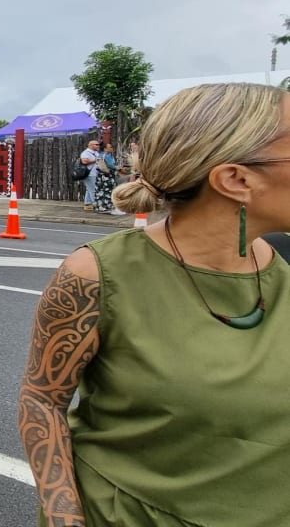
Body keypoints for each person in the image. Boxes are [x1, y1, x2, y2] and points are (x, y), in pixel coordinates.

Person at [19, 83, 290, 527]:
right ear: (236, 180)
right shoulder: (97, 276)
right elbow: (42, 399)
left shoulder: (285, 263)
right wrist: (62, 516)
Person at [79, 140, 100, 210]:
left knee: (89, 188)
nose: (98, 145)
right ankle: (96, 204)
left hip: (95, 173)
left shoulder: (96, 153)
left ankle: (87, 204)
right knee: (93, 189)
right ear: (91, 145)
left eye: (98, 144)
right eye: (96, 144)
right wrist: (95, 160)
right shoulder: (85, 153)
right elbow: (84, 161)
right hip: (89, 174)